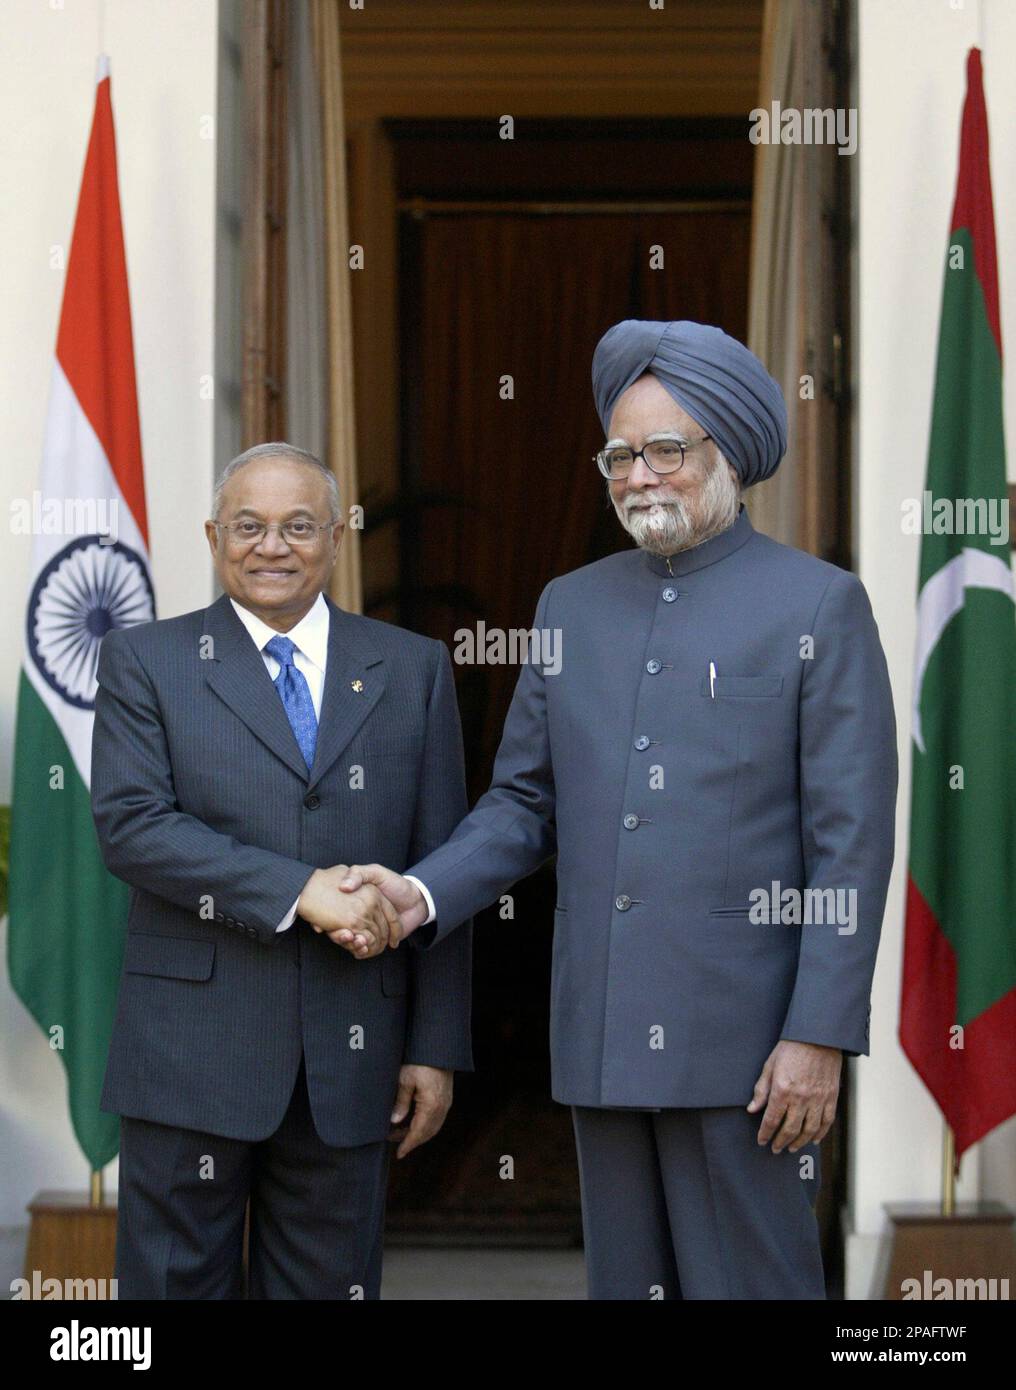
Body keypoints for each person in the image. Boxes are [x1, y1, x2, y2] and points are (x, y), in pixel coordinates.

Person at [339, 320, 898, 1300]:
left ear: (727, 454)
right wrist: (419, 893)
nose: (639, 476)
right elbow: (524, 802)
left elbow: (849, 843)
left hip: (750, 1049)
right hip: (601, 1031)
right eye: (619, 455)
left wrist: (818, 1033)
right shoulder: (571, 604)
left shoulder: (819, 605)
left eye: (665, 450)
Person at [91, 442, 472, 1299]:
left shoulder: (411, 667)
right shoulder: (146, 661)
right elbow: (132, 829)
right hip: (189, 1054)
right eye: (248, 526)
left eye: (299, 526)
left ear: (336, 536)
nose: (272, 546)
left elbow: (443, 868)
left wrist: (434, 1046)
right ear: (213, 537)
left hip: (353, 1055)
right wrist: (298, 891)